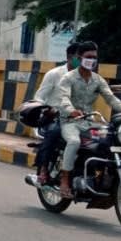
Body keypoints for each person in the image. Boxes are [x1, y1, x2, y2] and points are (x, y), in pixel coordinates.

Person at [56, 41, 121, 198]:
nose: (92, 60)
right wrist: (71, 111)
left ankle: (100, 176)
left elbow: (111, 99)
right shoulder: (68, 78)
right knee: (74, 142)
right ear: (79, 57)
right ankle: (65, 179)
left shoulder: (98, 80)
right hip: (70, 122)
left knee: (108, 141)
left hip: (89, 122)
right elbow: (63, 98)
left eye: (94, 57)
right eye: (88, 57)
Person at [28, 42, 80, 185]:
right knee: (54, 132)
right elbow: (39, 97)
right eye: (79, 57)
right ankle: (43, 169)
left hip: (78, 119)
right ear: (70, 57)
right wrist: (49, 109)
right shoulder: (54, 74)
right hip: (55, 118)